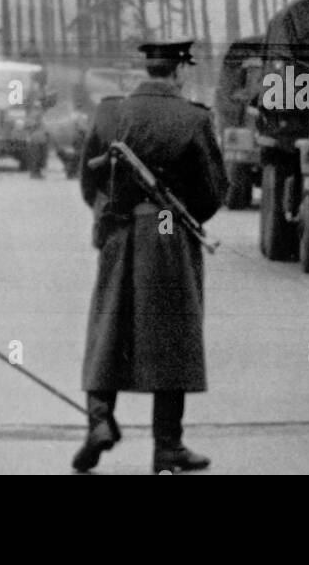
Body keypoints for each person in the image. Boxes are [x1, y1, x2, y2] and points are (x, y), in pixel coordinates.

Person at [75, 39, 228, 474]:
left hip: (119, 230)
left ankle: (99, 423)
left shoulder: (108, 112)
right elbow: (214, 191)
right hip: (167, 231)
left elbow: (90, 181)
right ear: (178, 72)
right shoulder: (194, 118)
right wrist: (174, 217)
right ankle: (168, 446)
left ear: (147, 69)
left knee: (108, 326)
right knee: (171, 335)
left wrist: (110, 216)